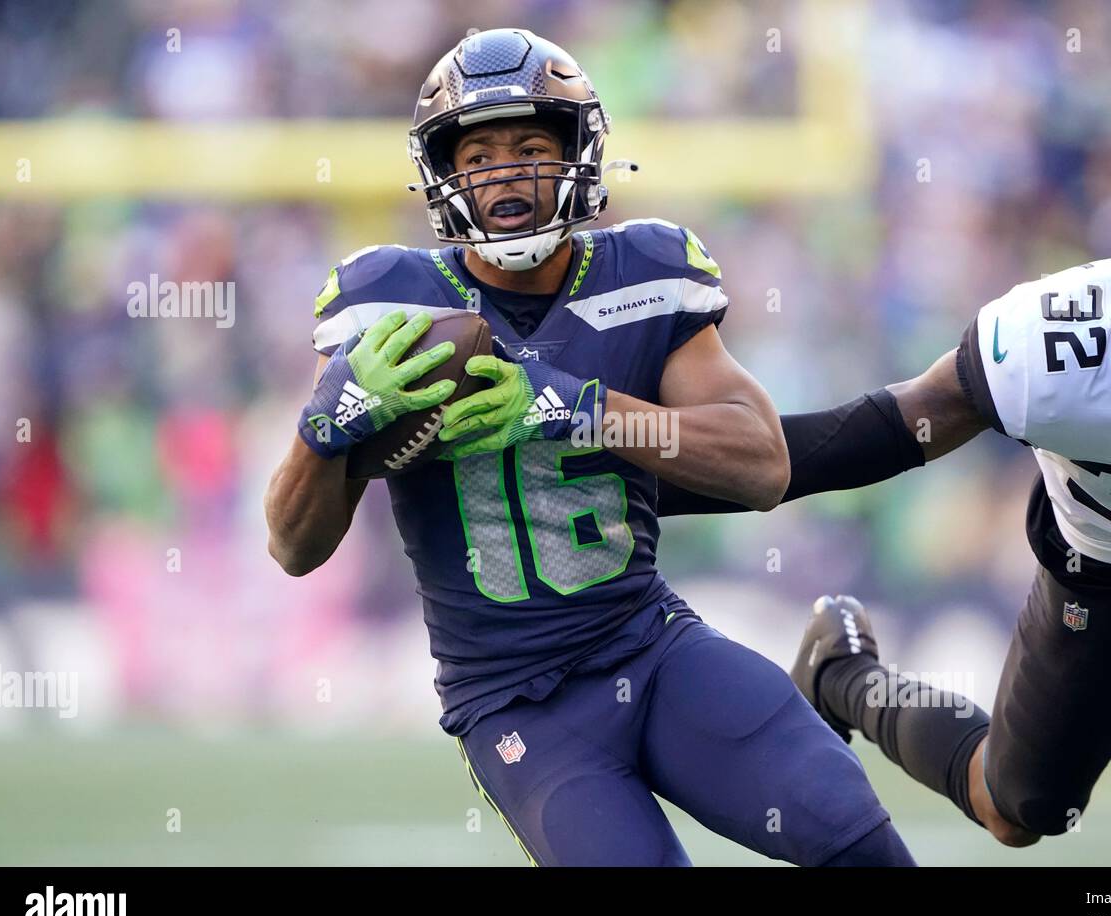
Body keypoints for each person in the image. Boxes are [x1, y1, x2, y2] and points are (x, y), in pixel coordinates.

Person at [264, 28, 913, 867]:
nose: (505, 172)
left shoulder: (642, 272)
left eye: (532, 146)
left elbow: (762, 464)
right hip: (519, 706)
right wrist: (330, 426)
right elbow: (292, 546)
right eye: (480, 152)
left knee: (852, 835)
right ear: (443, 171)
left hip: (653, 646)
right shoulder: (389, 305)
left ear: (580, 153)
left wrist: (577, 408)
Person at [659, 180, 1111, 847]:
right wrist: (657, 484)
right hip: (1107, 580)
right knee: (1014, 811)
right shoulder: (1049, 348)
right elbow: (881, 435)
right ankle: (842, 676)